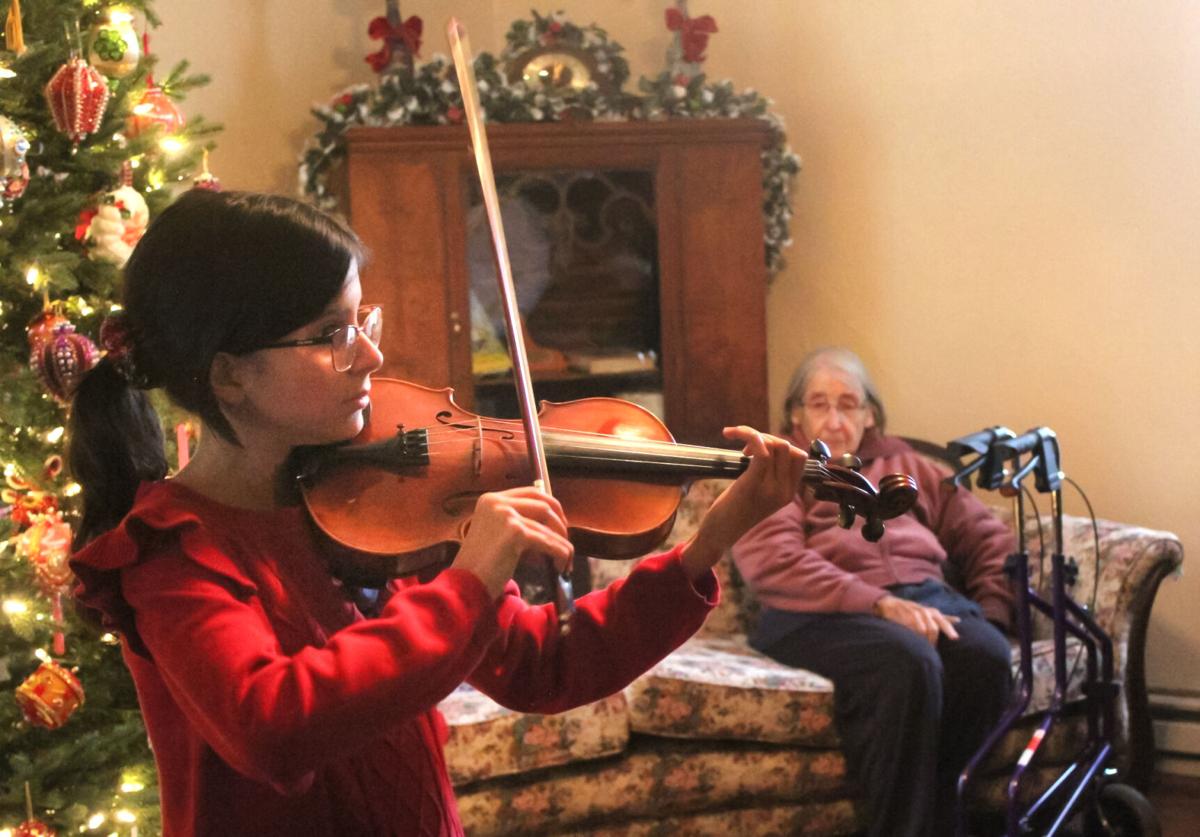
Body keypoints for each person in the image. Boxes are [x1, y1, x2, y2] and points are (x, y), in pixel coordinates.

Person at [66, 190, 807, 837]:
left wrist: (708, 543)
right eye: (330, 334)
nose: (368, 357)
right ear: (229, 374)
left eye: (363, 322)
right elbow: (273, 726)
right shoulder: (172, 551)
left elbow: (546, 663)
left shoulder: (370, 507)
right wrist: (471, 580)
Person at [731, 347, 1016, 837]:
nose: (835, 418)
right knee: (908, 660)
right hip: (814, 613)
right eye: (819, 404)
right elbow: (775, 563)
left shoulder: (911, 466)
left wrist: (990, 612)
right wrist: (879, 603)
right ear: (795, 413)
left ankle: (941, 819)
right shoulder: (780, 468)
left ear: (869, 415)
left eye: (848, 404)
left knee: (985, 656)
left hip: (923, 596)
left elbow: (990, 538)